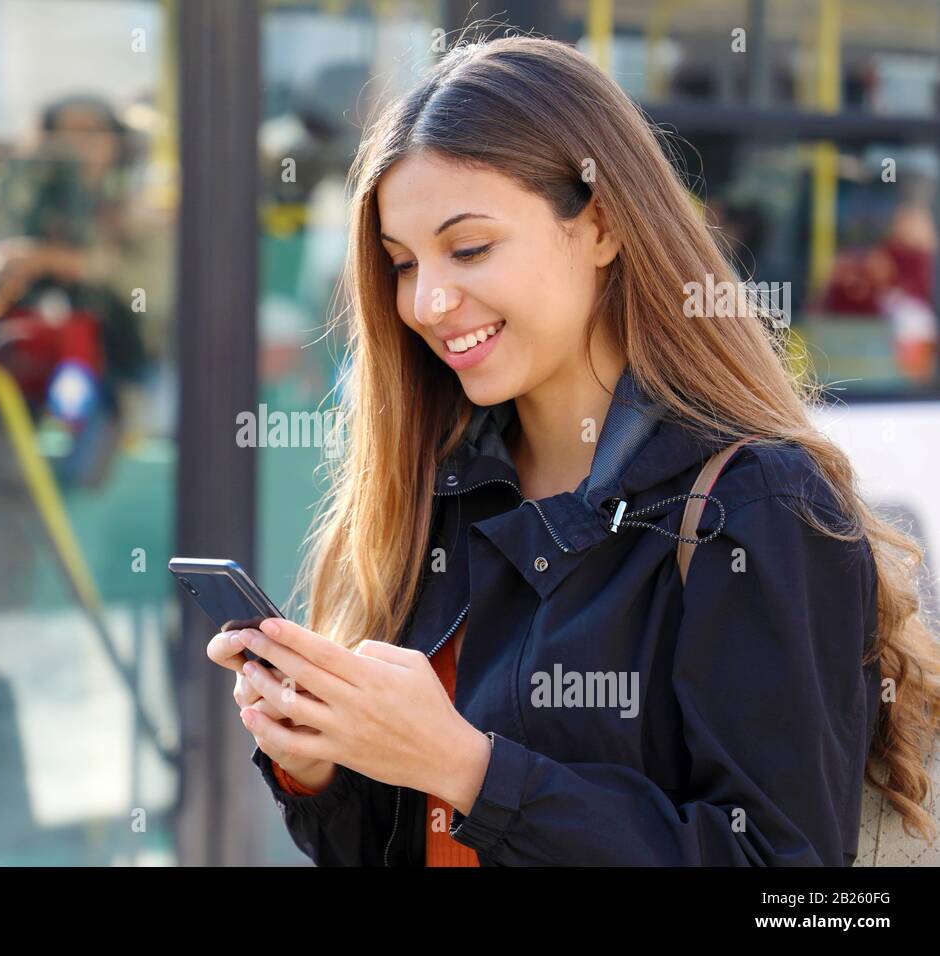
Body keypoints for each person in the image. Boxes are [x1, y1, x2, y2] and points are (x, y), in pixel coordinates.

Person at [206, 35, 940, 866]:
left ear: (600, 225)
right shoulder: (439, 492)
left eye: (470, 247)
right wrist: (318, 763)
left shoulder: (755, 504)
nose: (429, 299)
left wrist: (468, 769)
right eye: (403, 263)